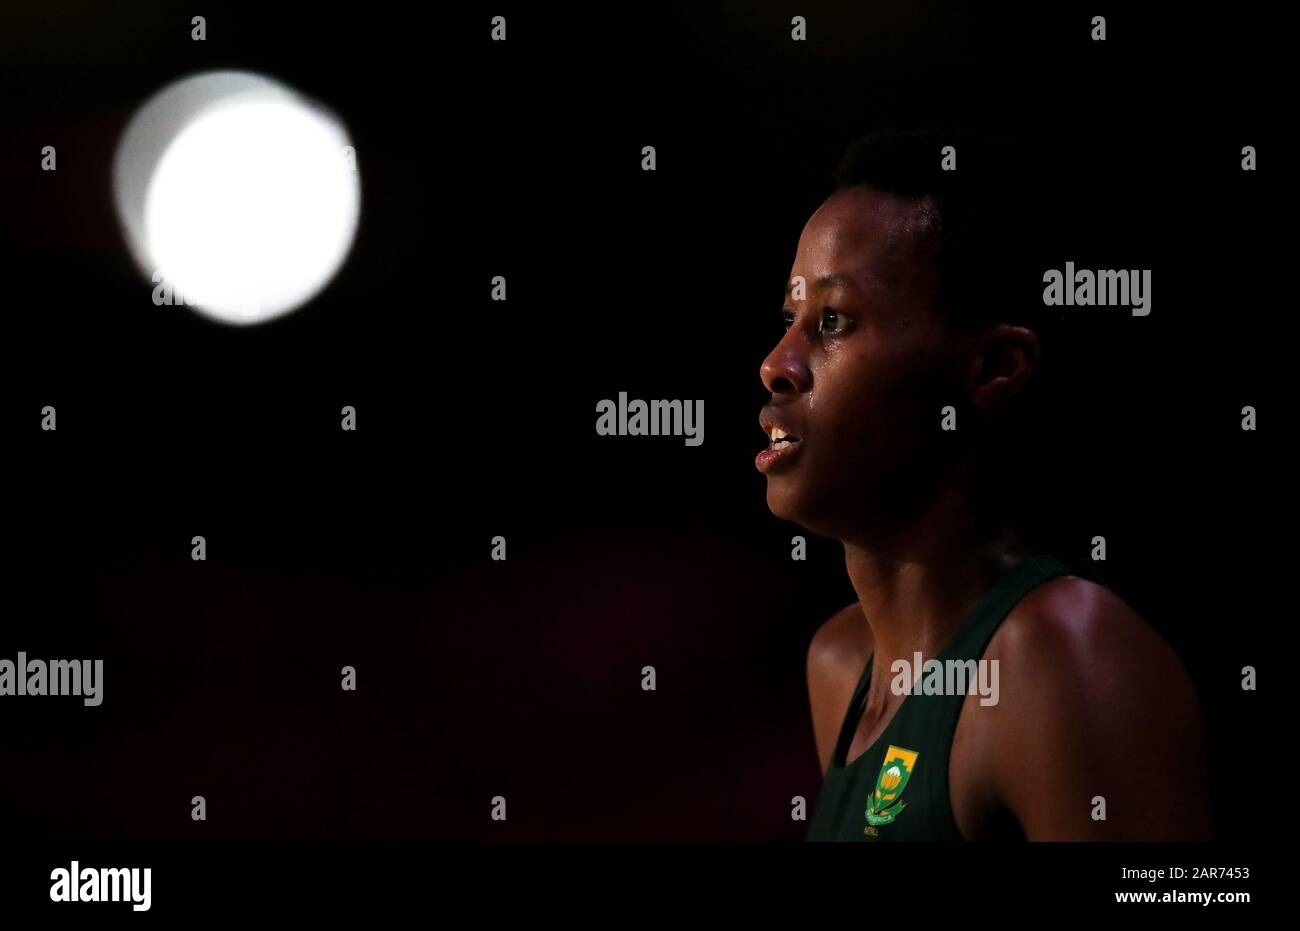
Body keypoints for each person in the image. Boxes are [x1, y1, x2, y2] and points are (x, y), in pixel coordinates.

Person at [756, 130, 1210, 841]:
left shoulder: (1061, 657)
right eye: (790, 320)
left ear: (993, 367)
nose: (777, 364)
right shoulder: (839, 664)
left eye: (833, 321)